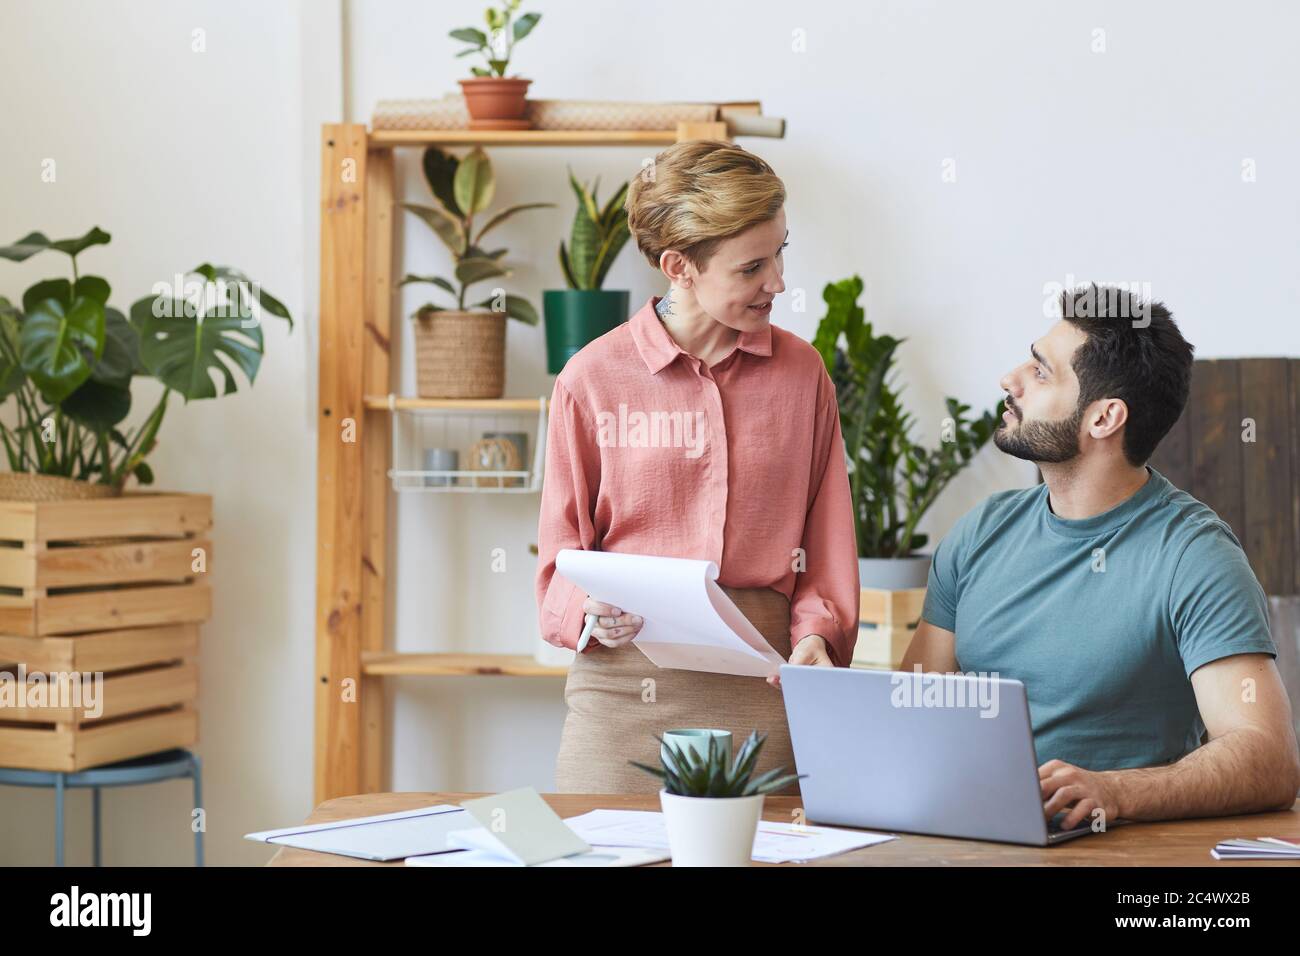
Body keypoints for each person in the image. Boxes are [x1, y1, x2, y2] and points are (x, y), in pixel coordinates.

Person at [903, 283, 1300, 828]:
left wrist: (1113, 792)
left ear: (1103, 418)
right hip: (973, 835)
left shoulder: (1195, 556)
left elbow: (1269, 757)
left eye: (1041, 372)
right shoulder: (978, 534)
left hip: (1116, 850)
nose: (1010, 380)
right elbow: (912, 709)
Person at [535, 140, 860, 794]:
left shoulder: (803, 375)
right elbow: (559, 559)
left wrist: (818, 639)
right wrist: (590, 605)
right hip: (622, 694)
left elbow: (825, 548)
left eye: (781, 253)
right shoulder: (591, 378)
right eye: (752, 268)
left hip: (765, 693)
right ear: (680, 267)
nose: (778, 283)